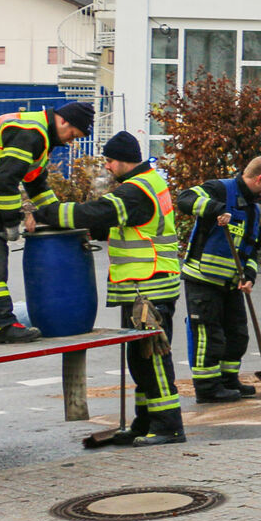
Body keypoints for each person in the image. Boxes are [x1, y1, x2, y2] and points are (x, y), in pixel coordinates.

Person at [32, 131, 186, 446]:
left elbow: (97, 212)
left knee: (153, 358)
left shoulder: (135, 191)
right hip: (145, 287)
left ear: (119, 160)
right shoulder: (148, 183)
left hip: (148, 288)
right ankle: (145, 423)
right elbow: (113, 222)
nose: (107, 166)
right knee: (141, 359)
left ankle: (169, 427)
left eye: (109, 160)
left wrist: (48, 212)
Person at [0, 101, 93, 343]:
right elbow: (6, 182)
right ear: (63, 121)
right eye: (72, 135)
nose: (70, 141)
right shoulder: (31, 133)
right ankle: (0, 326)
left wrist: (56, 214)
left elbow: (35, 183)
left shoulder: (40, 135)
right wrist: (12, 222)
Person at [177, 157, 261, 403]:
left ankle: (228, 380)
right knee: (209, 335)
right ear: (259, 179)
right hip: (203, 279)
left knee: (236, 334)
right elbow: (184, 199)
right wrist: (215, 209)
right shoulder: (220, 189)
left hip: (232, 283)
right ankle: (208, 388)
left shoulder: (254, 209)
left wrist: (250, 277)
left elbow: (251, 249)